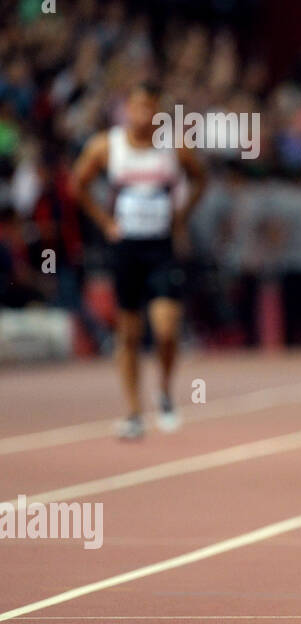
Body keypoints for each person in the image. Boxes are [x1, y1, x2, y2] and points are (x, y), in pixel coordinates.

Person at [71, 81, 207, 439]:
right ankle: (133, 412)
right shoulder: (107, 146)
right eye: (137, 107)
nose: (144, 115)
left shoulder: (174, 147)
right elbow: (78, 184)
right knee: (128, 334)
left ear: (159, 112)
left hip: (161, 248)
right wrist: (105, 223)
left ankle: (163, 389)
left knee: (165, 329)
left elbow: (200, 179)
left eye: (150, 108)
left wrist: (181, 217)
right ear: (127, 109)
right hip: (127, 249)